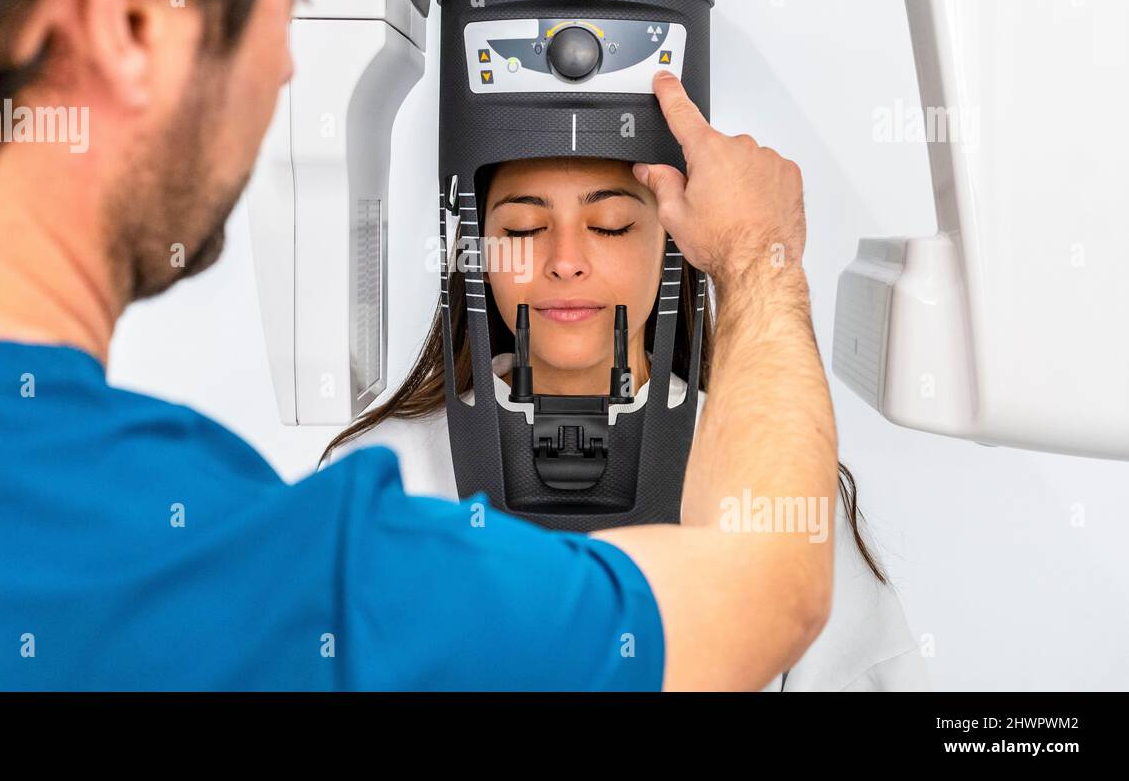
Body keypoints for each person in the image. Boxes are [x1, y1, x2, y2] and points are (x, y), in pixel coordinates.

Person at [0, 0, 833, 690]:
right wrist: (760, 252)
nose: (288, 64)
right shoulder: (257, 580)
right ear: (136, 11)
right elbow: (767, 586)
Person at [323, 156, 929, 690]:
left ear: (674, 243)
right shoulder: (378, 473)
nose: (565, 261)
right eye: (524, 229)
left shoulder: (767, 472)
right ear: (476, 251)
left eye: (610, 226)